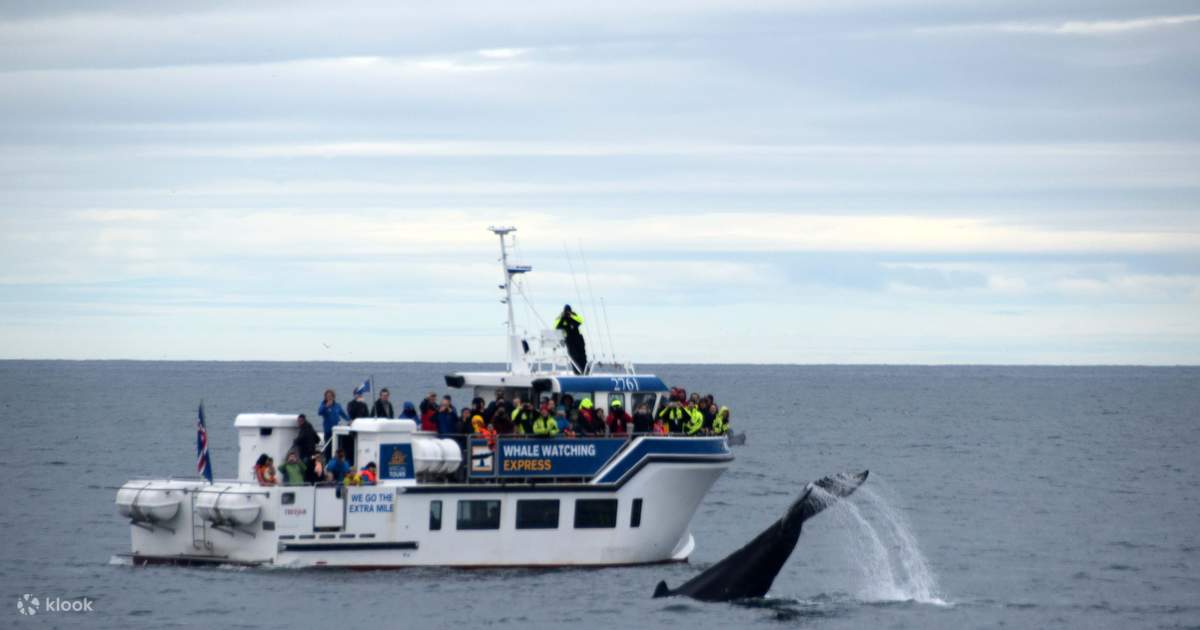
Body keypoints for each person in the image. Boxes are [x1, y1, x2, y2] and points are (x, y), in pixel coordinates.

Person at [554, 304, 588, 374]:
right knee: (573, 356)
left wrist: (572, 315)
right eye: (566, 311)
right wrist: (562, 317)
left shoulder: (574, 316)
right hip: (569, 340)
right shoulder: (560, 318)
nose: (567, 313)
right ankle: (577, 372)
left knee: (582, 356)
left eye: (568, 311)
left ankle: (585, 371)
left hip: (578, 338)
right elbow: (556, 326)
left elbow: (581, 320)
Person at [318, 390, 348, 457]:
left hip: (337, 430)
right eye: (327, 396)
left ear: (334, 397)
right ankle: (327, 461)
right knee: (328, 447)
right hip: (328, 430)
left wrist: (350, 420)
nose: (329, 398)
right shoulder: (323, 405)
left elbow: (343, 414)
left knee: (337, 446)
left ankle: (337, 459)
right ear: (325, 397)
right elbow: (319, 412)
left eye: (331, 396)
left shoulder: (337, 405)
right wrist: (326, 406)